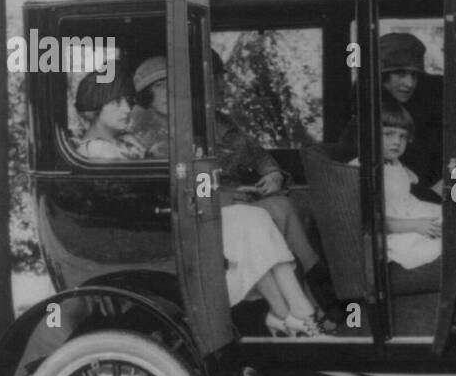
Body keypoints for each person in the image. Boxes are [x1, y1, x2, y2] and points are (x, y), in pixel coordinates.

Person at [124, 60, 332, 336]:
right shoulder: (148, 132)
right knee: (266, 215)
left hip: (224, 201)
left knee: (277, 209)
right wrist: (230, 195)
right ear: (145, 95)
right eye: (159, 86)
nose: (167, 92)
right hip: (197, 212)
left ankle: (298, 308)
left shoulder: (198, 120)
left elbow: (255, 155)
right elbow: (182, 184)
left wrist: (272, 174)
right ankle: (301, 309)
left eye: (172, 85)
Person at [334, 32, 443, 189]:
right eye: (400, 73)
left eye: (414, 75)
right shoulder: (365, 122)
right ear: (381, 76)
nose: (409, 83)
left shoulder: (414, 114)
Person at [352, 97, 442, 271]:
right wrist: (416, 225)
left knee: (453, 219)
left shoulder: (393, 164)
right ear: (368, 134)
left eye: (403, 136)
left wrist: (405, 173)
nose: (397, 142)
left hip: (411, 214)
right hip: (394, 231)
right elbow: (373, 221)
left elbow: (405, 185)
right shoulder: (361, 170)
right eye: (388, 134)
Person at [74, 72, 149, 160]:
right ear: (95, 105)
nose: (127, 109)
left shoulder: (123, 141)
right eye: (117, 102)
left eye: (128, 101)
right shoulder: (98, 150)